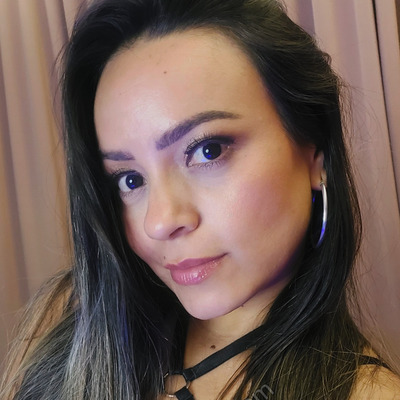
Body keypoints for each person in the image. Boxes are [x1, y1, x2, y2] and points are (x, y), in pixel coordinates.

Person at [1, 0, 400, 399]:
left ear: (316, 156)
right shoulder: (67, 319)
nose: (158, 222)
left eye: (208, 150)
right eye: (130, 179)